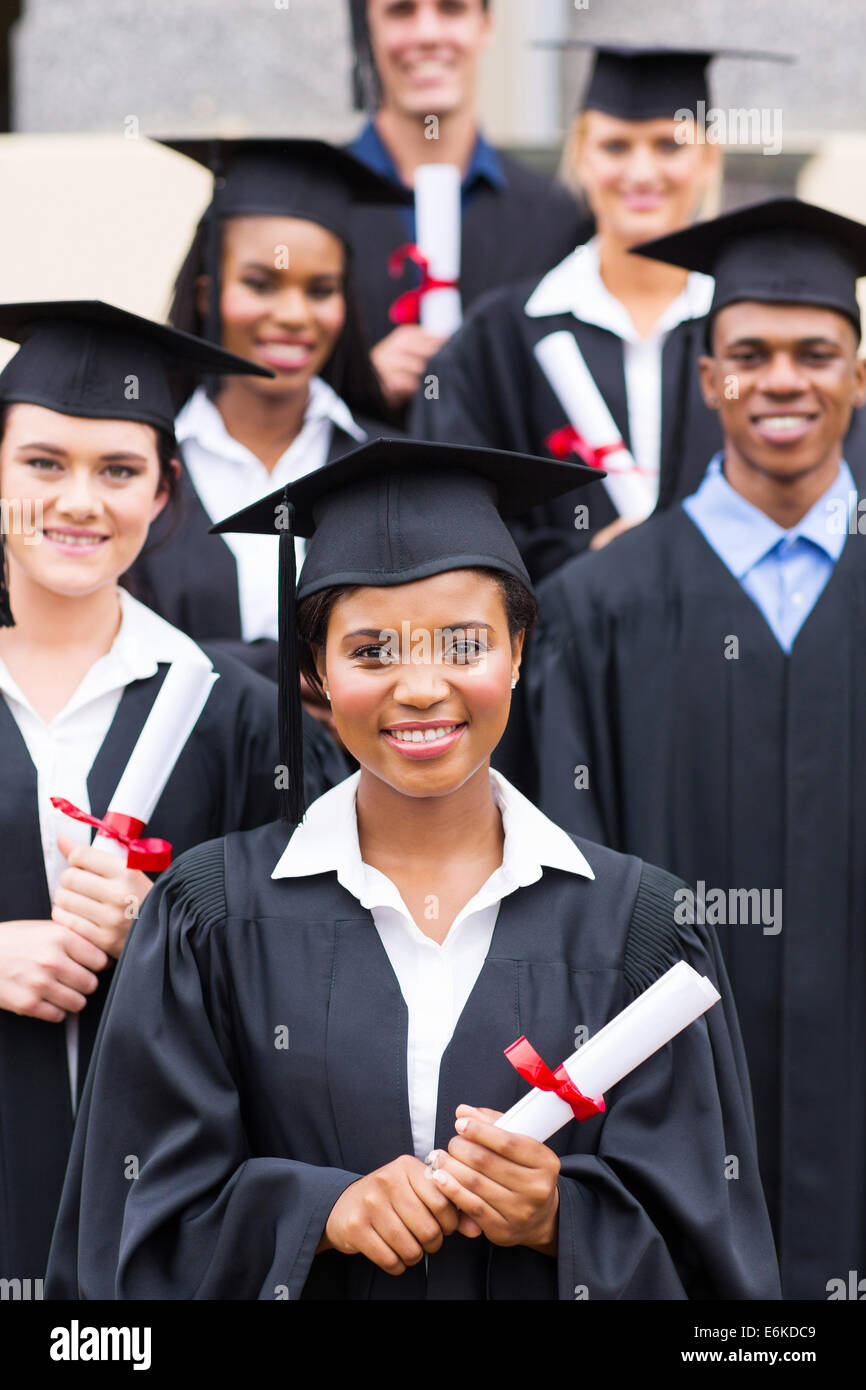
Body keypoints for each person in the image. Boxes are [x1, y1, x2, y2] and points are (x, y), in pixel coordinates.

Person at [47, 438, 779, 1301]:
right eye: (372, 652)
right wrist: (315, 1213)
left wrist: (561, 1220)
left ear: (518, 651)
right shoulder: (208, 920)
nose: (421, 687)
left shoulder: (640, 930)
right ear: (315, 673)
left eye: (464, 643)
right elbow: (125, 1247)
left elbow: (725, 1282)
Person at [520, 200, 866, 1299]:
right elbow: (569, 896)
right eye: (748, 354)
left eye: (815, 353)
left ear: (857, 375)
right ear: (706, 376)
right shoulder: (595, 608)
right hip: (672, 1103)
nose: (781, 382)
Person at [0, 300, 346, 1283]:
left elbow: (318, 972)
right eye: (42, 463)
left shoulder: (234, 715)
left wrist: (163, 938)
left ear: (165, 492)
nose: (78, 501)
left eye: (117, 470)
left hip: (160, 1221)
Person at [411, 44, 784, 580]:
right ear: (581, 157)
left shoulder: (750, 334)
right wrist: (584, 563)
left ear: (707, 160)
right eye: (615, 146)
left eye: (667, 145)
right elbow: (451, 519)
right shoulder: (499, 338)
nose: (641, 171)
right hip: (556, 648)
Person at [128, 138, 399, 722]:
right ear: (207, 294)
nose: (295, 315)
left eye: (320, 290)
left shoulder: (386, 467)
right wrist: (279, 669)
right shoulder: (138, 461)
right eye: (261, 283)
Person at [345, 0, 589, 411]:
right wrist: (354, 381)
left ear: (486, 26)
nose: (427, 35)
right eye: (401, 11)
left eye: (452, 9)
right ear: (367, 30)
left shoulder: (556, 217)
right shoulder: (312, 205)